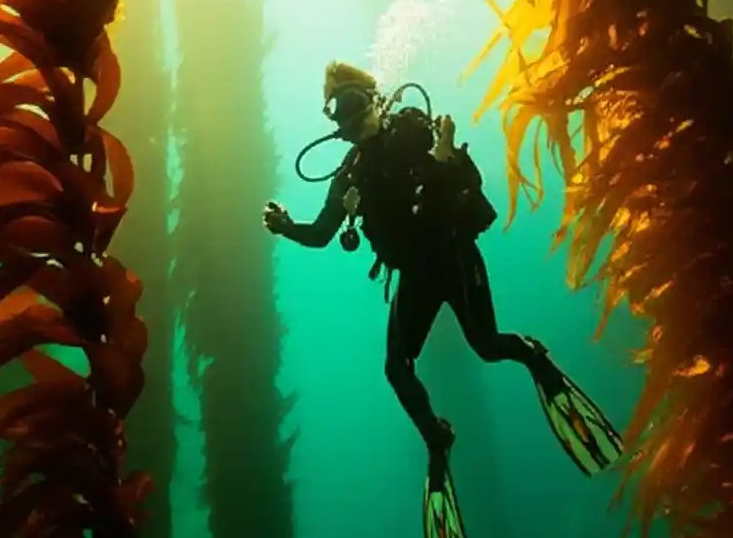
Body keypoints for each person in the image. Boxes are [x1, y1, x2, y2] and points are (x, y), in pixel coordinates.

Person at [263, 62, 623, 501]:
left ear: (373, 98)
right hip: (416, 274)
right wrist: (286, 226)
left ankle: (535, 358)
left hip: (453, 255)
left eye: (354, 104)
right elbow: (321, 234)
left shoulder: (414, 128)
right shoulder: (350, 173)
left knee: (487, 346)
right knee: (396, 369)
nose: (350, 119)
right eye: (339, 112)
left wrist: (446, 152)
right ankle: (437, 438)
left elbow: (465, 180)